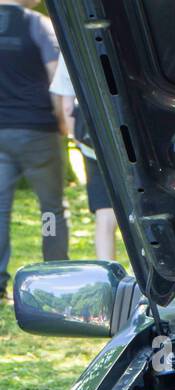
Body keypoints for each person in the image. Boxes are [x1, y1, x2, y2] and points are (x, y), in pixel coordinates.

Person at [0, 0, 69, 302]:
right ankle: (54, 279)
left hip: (1, 130)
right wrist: (62, 124)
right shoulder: (37, 25)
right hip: (38, 130)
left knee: (0, 211)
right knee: (50, 209)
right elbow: (56, 77)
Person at [50, 55, 117, 262]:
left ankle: (109, 275)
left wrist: (77, 138)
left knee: (105, 216)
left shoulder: (72, 38)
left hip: (94, 144)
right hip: (138, 142)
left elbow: (67, 105)